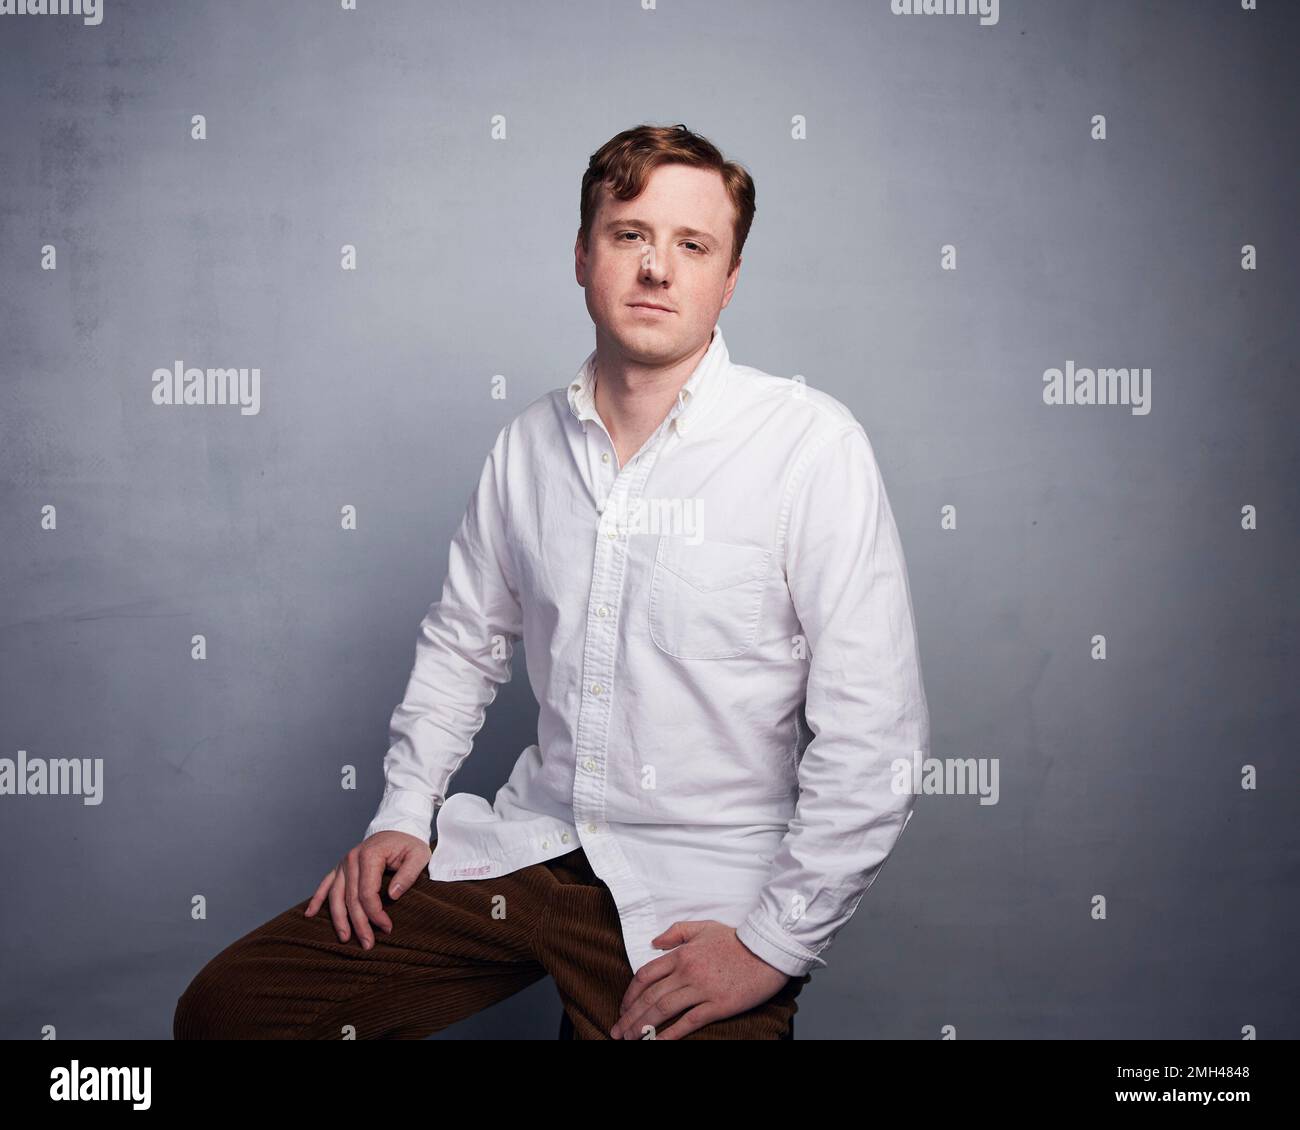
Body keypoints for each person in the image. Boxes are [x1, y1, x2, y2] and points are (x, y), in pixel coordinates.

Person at [173, 122, 930, 1041]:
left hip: (699, 902)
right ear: (583, 255)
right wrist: (403, 814)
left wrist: (771, 946)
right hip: (530, 851)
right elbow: (464, 642)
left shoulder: (811, 447)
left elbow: (874, 739)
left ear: (729, 280)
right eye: (630, 235)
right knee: (232, 1015)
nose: (658, 268)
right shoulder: (527, 446)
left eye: (693, 246)